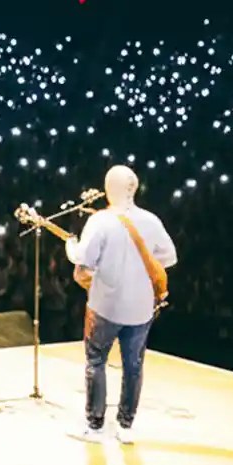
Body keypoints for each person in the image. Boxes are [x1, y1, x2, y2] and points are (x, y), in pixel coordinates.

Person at [64, 165, 178, 444]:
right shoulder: (151, 221)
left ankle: (95, 426)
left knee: (96, 362)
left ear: (108, 189)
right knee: (134, 365)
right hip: (140, 310)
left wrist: (70, 247)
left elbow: (83, 260)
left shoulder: (100, 221)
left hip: (106, 306)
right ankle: (126, 426)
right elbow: (169, 257)